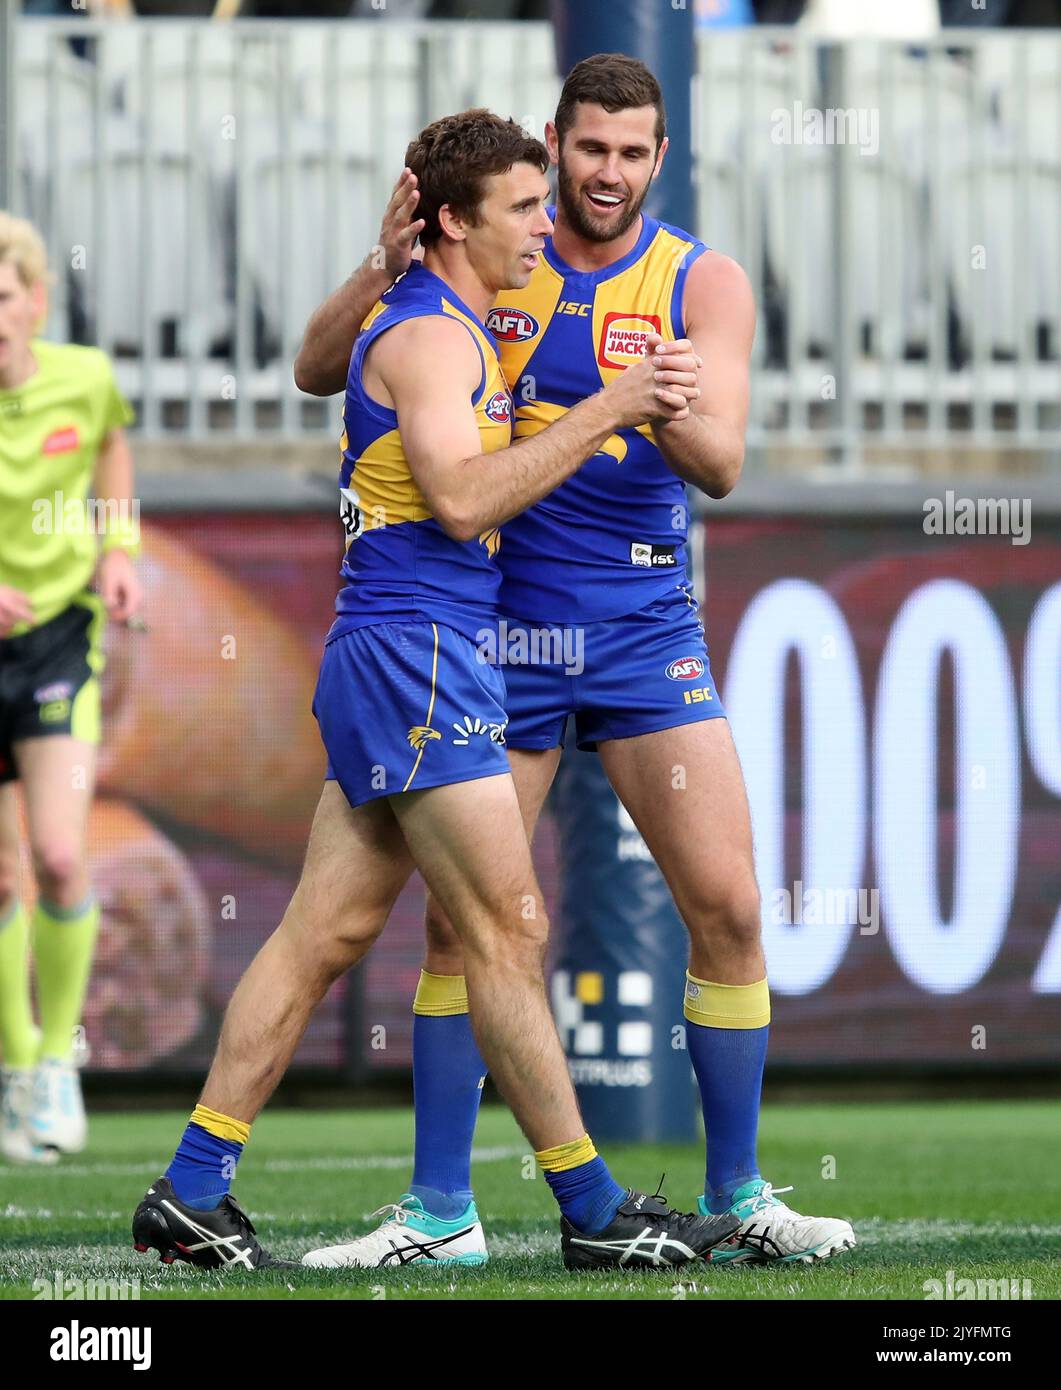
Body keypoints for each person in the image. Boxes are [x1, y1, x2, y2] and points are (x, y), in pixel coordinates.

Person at [131, 109, 738, 1272]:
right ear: (457, 221)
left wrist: (380, 264)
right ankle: (594, 1211)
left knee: (329, 927)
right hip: (420, 654)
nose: (543, 223)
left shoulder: (429, 312)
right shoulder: (437, 341)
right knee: (509, 929)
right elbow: (459, 503)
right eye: (520, 207)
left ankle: (194, 1188)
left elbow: (312, 370)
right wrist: (614, 407)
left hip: (397, 649)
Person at [295, 54, 856, 1269]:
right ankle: (440, 1212)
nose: (606, 172)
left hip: (649, 631)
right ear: (554, 146)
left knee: (729, 909)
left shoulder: (701, 281)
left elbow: (720, 465)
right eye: (587, 149)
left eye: (629, 152)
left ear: (661, 158)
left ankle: (743, 1193)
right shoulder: (495, 253)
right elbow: (319, 366)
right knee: (466, 931)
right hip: (501, 633)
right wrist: (379, 263)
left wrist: (635, 394)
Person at [0, 212, 140, 1164]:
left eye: (2, 294)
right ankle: (17, 1069)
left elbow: (110, 456)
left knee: (55, 855)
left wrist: (119, 546)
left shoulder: (84, 379)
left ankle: (57, 1063)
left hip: (55, 639)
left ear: (33, 301)